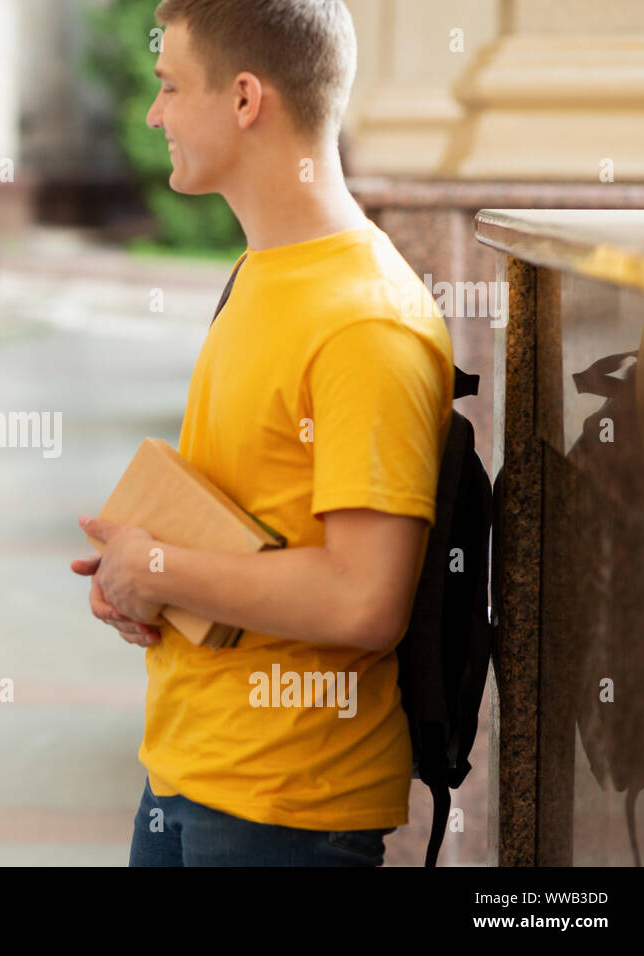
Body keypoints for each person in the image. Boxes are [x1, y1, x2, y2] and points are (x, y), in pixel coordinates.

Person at [71, 0, 454, 866]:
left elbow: (366, 599)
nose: (153, 113)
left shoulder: (364, 322)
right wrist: (147, 582)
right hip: (191, 773)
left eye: (170, 86)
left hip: (287, 809)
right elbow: (262, 513)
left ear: (246, 99)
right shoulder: (263, 269)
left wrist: (160, 568)